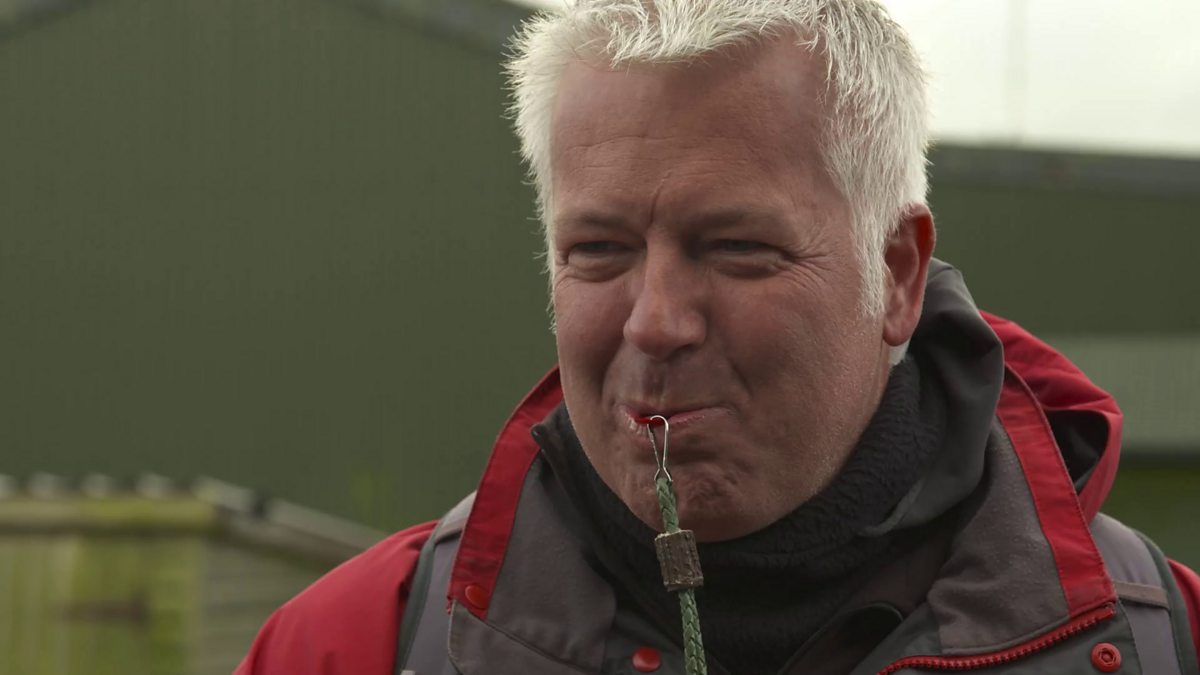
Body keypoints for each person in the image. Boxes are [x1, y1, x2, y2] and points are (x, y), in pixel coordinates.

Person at [236, 1, 1200, 673]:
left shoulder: (1167, 643)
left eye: (737, 249)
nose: (655, 322)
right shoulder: (352, 647)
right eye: (598, 250)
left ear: (897, 274)